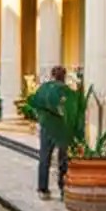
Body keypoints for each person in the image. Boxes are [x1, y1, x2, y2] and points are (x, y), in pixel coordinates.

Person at [31, 65, 70, 200]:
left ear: (52, 75)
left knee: (44, 157)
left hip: (47, 126)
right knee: (63, 159)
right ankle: (63, 189)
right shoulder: (65, 90)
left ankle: (43, 189)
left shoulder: (43, 89)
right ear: (64, 76)